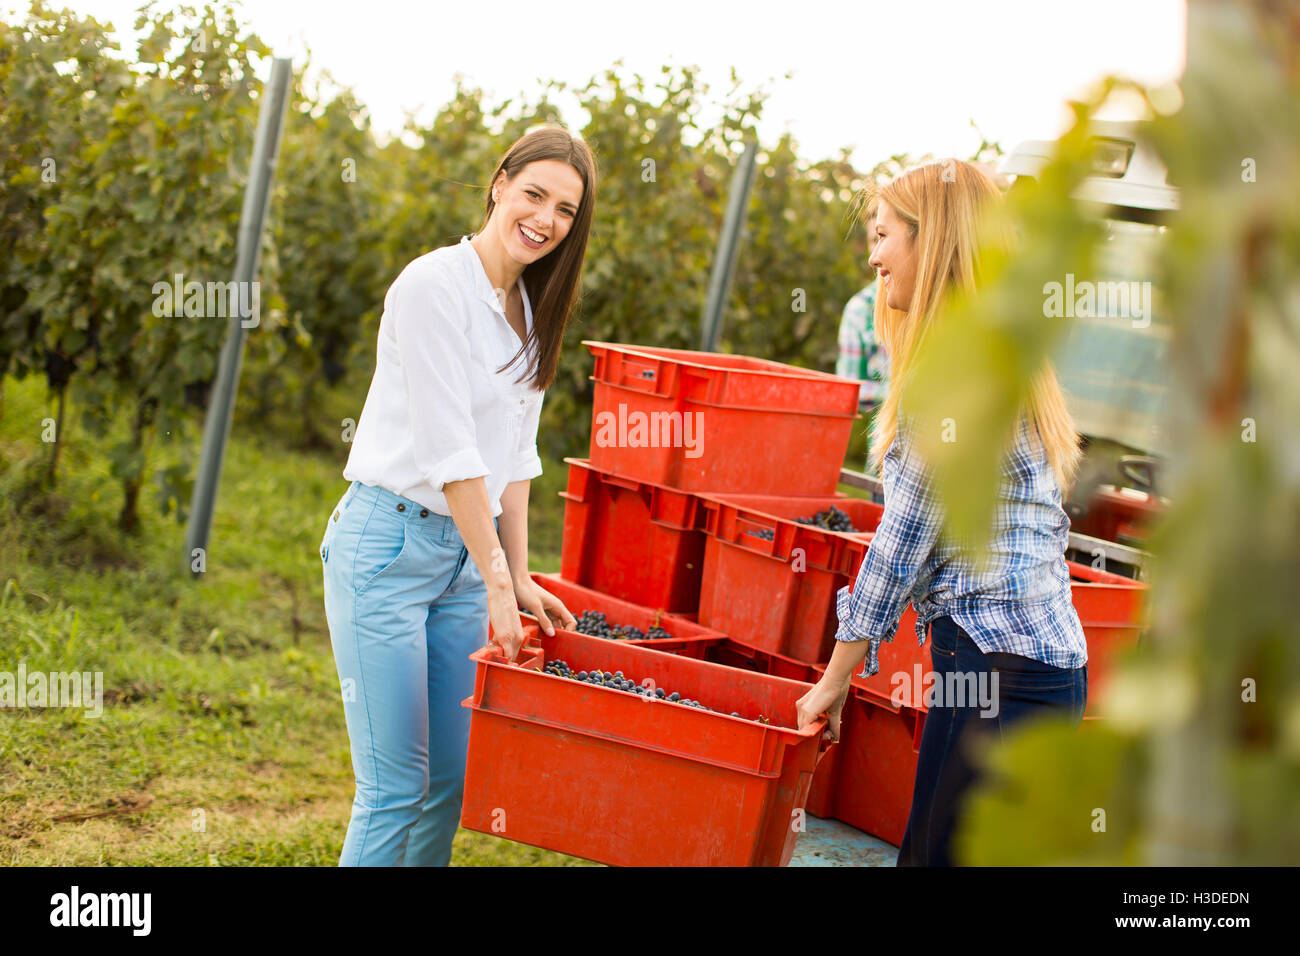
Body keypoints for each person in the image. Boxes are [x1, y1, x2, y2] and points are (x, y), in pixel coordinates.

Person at [795, 159, 1088, 866]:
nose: (873, 256)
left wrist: (832, 683)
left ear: (933, 245)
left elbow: (902, 545)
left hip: (1006, 675)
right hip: (1011, 666)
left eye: (883, 234)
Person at [319, 126, 595, 866]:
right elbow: (453, 455)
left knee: (449, 780)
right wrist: (499, 582)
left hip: (461, 561)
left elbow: (515, 459)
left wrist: (519, 574)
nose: (545, 219)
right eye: (534, 194)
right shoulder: (432, 286)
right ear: (498, 185)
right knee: (395, 787)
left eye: (566, 210)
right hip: (388, 546)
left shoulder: (528, 312)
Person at [836, 202, 891, 476]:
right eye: (873, 239)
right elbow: (848, 390)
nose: (877, 252)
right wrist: (898, 394)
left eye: (885, 237)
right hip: (884, 462)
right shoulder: (861, 309)